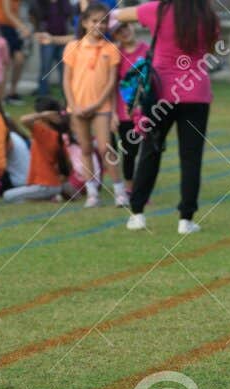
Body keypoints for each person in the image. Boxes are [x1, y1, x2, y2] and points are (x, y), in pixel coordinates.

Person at [111, 0, 217, 234]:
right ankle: (185, 220)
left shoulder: (157, 9)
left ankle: (137, 213)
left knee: (150, 151)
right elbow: (210, 49)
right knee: (191, 158)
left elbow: (115, 15)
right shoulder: (208, 15)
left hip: (161, 93)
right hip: (196, 93)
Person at [61, 3, 119, 207]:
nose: (99, 26)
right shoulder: (73, 47)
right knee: (85, 148)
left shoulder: (111, 48)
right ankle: (92, 192)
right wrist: (73, 105)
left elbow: (111, 82)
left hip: (101, 108)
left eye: (103, 22)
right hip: (78, 108)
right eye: (95, 21)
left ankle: (120, 190)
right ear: (85, 22)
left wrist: (97, 104)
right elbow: (67, 80)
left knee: (105, 148)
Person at [4, 95, 66, 202]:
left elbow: (24, 120)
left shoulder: (43, 132)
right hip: (53, 184)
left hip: (45, 185)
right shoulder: (58, 134)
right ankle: (52, 196)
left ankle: (46, 197)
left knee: (7, 195)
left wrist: (42, 115)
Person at [111, 15, 146, 193]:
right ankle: (130, 188)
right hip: (124, 113)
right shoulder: (116, 55)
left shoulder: (147, 50)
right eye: (119, 31)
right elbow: (111, 86)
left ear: (132, 26)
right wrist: (112, 113)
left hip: (148, 111)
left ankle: (144, 187)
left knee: (147, 151)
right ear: (115, 36)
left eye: (125, 27)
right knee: (129, 152)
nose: (124, 32)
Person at [0, 0, 29, 103]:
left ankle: (12, 92)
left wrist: (20, 27)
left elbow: (15, 12)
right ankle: (0, 96)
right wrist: (22, 27)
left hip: (12, 28)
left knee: (19, 60)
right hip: (1, 26)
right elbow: (7, 12)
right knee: (4, 64)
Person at [29, 0, 70, 98]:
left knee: (64, 69)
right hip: (46, 40)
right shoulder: (39, 3)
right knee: (45, 69)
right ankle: (42, 95)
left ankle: (66, 95)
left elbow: (69, 17)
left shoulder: (64, 3)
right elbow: (32, 16)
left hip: (63, 39)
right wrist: (37, 31)